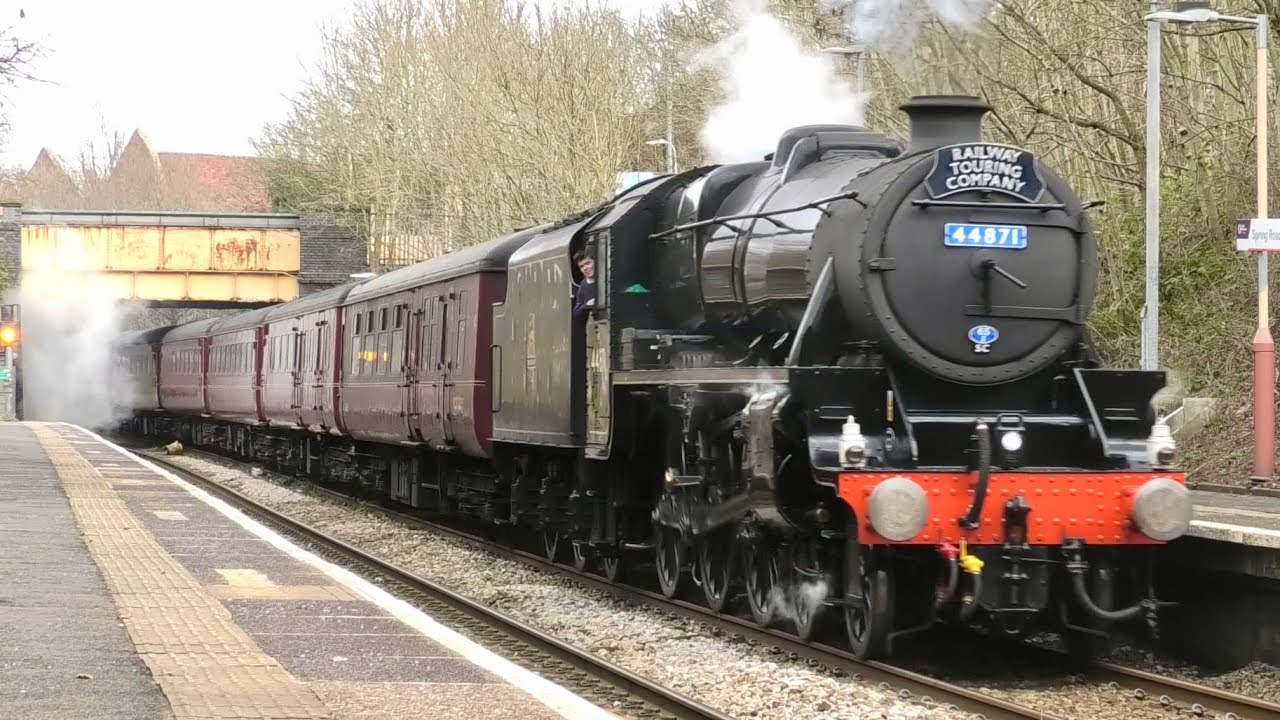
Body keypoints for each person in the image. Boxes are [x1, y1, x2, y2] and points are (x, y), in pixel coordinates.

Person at [572, 248, 597, 322]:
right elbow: (576, 314)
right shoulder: (583, 285)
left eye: (588, 263)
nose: (585, 268)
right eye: (581, 266)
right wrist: (586, 305)